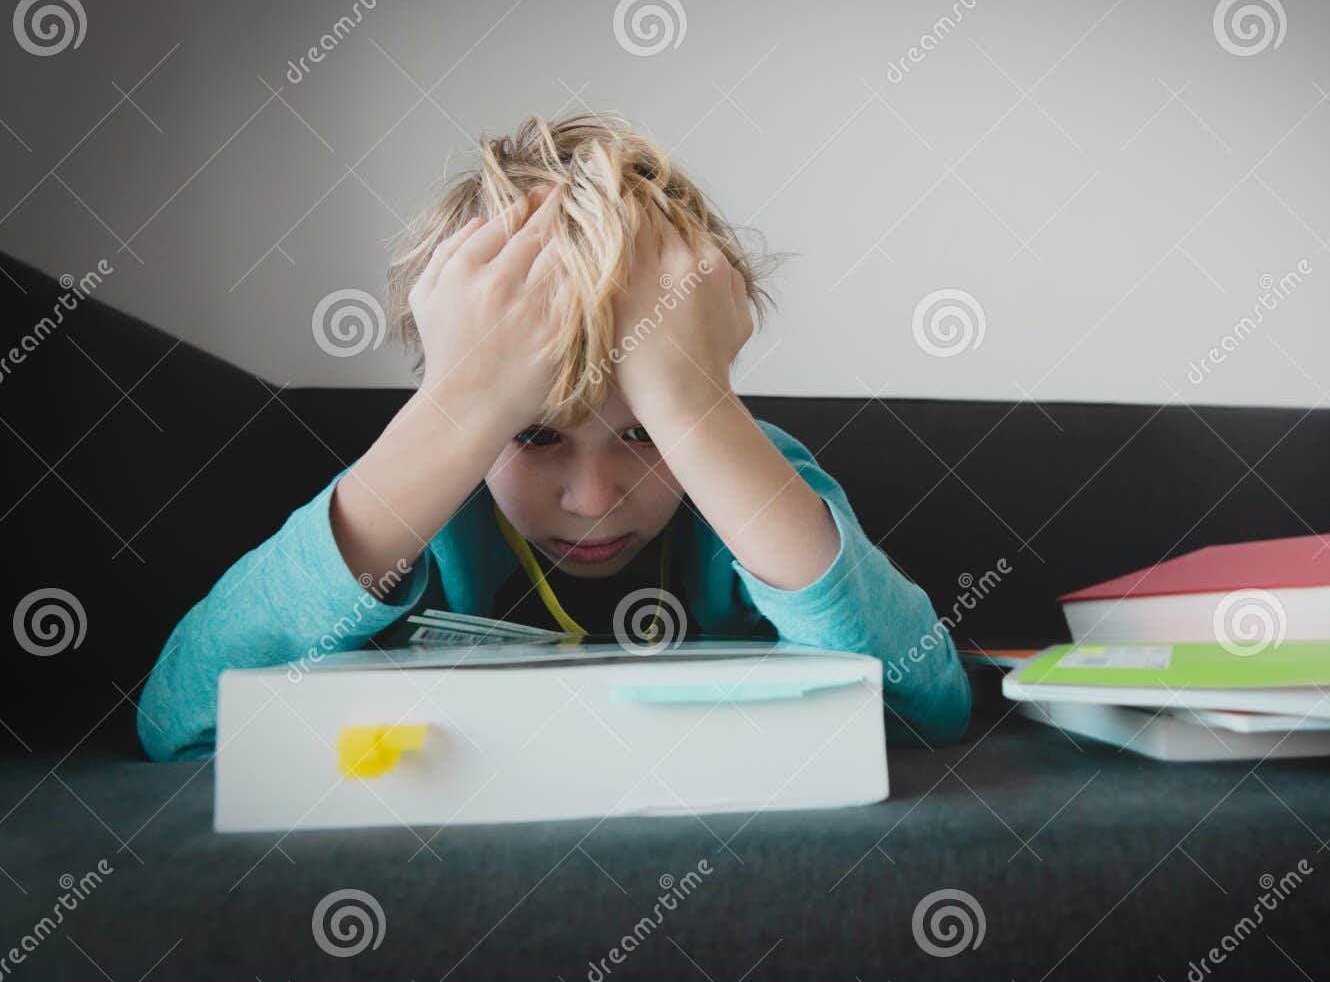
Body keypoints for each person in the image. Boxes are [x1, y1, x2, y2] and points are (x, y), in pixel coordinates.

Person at [137, 113, 970, 761]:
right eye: (534, 436)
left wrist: (699, 412)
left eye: (646, 433)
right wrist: (458, 408)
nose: (596, 500)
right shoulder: (428, 496)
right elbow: (181, 721)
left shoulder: (747, 471)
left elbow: (927, 706)